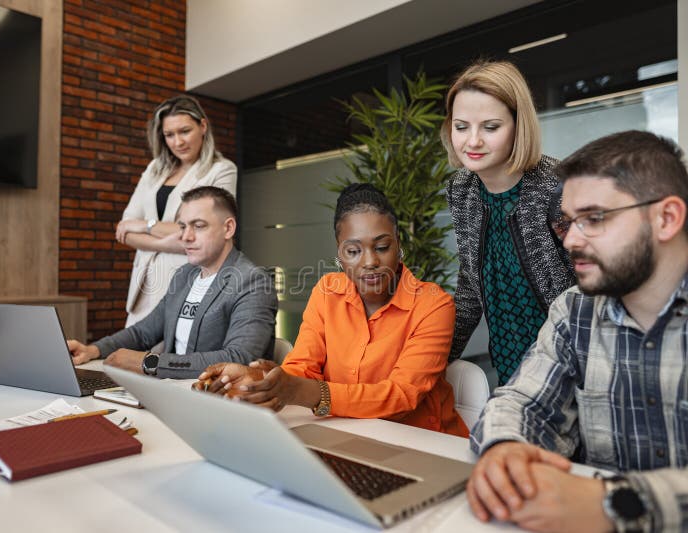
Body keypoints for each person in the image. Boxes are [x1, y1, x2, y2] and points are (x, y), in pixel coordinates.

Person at [467, 131, 688, 532]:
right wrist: (506, 448)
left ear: (666, 218)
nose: (569, 240)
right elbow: (522, 402)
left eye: (594, 218)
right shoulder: (575, 309)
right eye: (567, 222)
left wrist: (613, 503)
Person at [196, 184, 468, 437]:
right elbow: (301, 368)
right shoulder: (327, 291)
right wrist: (256, 379)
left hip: (425, 445)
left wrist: (306, 392)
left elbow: (400, 396)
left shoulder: (433, 304)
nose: (370, 261)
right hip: (347, 434)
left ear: (399, 246)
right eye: (353, 251)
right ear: (339, 255)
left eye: (382, 247)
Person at [441, 60, 574, 385]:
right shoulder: (462, 190)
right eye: (461, 127)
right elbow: (472, 285)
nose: (472, 141)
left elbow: (594, 286)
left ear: (519, 125)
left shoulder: (557, 184)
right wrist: (434, 363)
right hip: (509, 368)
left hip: (572, 369)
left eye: (490, 127)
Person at [68, 186, 277, 379]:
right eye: (183, 226)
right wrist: (92, 350)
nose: (186, 237)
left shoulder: (253, 282)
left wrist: (149, 362)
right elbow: (143, 332)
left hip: (215, 404)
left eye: (199, 226)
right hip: (169, 393)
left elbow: (238, 358)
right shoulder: (185, 274)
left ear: (228, 228)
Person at [115, 94, 237, 327]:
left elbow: (209, 234)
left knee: (166, 361)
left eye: (184, 131)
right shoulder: (155, 170)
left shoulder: (221, 170)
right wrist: (168, 240)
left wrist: (145, 226)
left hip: (187, 283)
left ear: (203, 126)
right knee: (128, 357)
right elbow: (124, 228)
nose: (178, 142)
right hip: (142, 290)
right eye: (169, 135)